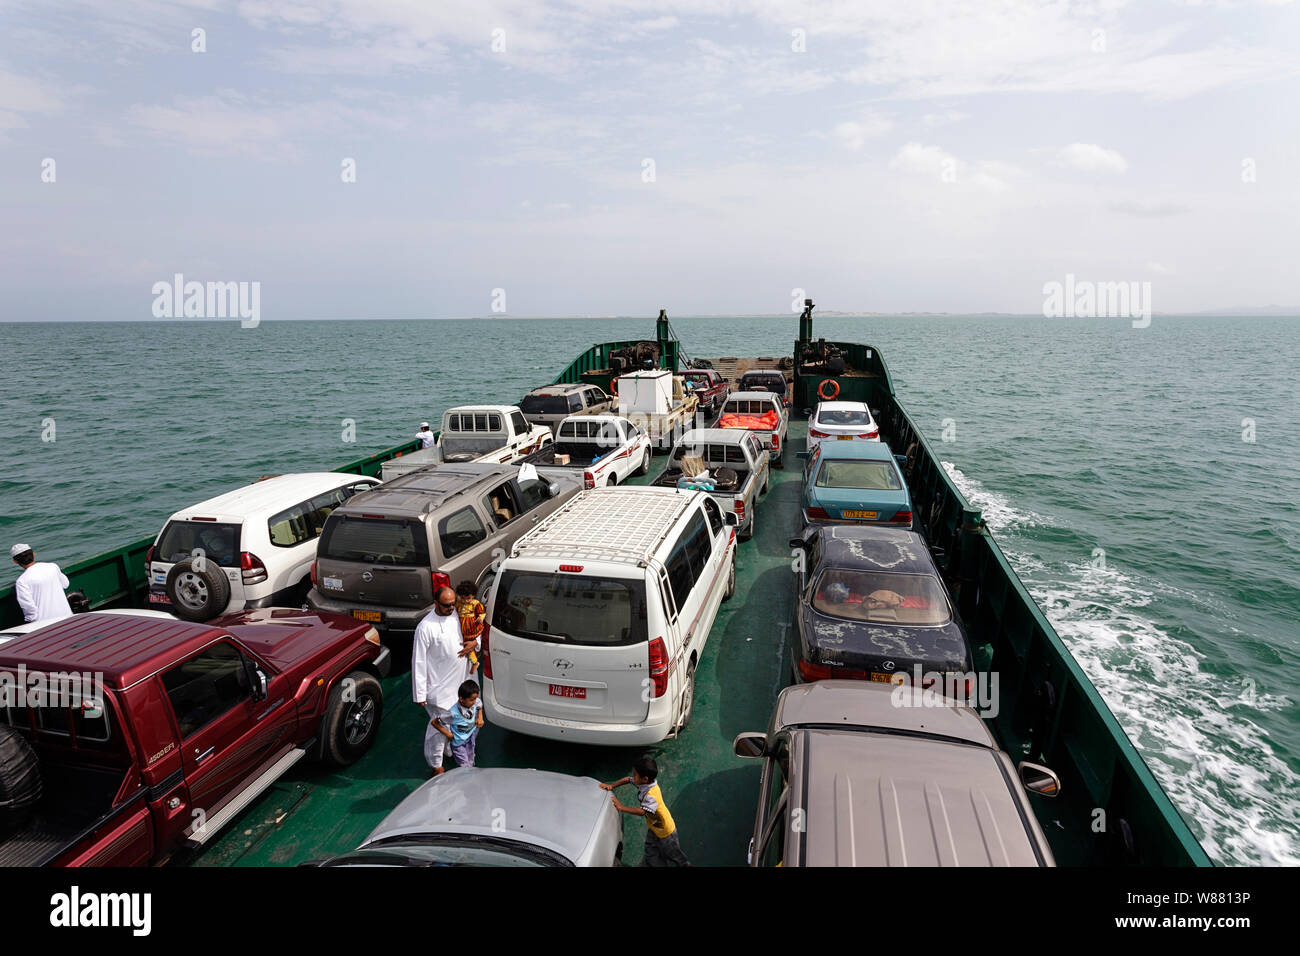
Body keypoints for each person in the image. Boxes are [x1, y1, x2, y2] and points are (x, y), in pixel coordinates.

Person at [412, 586, 477, 774]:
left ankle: (451, 752)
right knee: (439, 730)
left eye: (453, 604)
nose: (451, 608)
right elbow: (418, 661)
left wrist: (474, 643)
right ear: (435, 603)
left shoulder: (459, 616)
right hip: (439, 690)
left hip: (461, 684)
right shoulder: (425, 627)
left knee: (460, 724)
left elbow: (474, 634)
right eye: (446, 605)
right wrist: (420, 693)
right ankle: (436, 765)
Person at [601, 755, 691, 867]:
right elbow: (628, 780)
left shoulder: (651, 795)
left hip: (666, 832)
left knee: (674, 854)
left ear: (645, 779)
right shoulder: (644, 783)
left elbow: (642, 812)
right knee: (651, 850)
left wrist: (621, 807)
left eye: (635, 774)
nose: (633, 777)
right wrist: (611, 786)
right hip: (654, 827)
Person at [10, 543, 74, 625]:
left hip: (44, 625)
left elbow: (29, 608)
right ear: (33, 554)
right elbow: (65, 584)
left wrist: (31, 622)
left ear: (15, 561)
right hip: (67, 617)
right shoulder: (52, 567)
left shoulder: (22, 581)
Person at [432, 679, 484, 768]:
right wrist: (448, 734)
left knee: (471, 759)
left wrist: (480, 717)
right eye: (472, 699)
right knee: (464, 766)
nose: (474, 702)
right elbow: (435, 722)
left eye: (475, 698)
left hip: (471, 737)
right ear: (461, 699)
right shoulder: (453, 713)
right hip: (459, 743)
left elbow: (479, 706)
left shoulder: (474, 702)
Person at [454, 580, 486, 674]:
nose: (465, 601)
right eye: (463, 598)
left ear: (473, 595)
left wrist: (480, 618)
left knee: (469, 648)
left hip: (473, 630)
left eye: (468, 598)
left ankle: (474, 662)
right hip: (464, 632)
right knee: (468, 649)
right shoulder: (459, 603)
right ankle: (474, 662)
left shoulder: (475, 604)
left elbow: (482, 613)